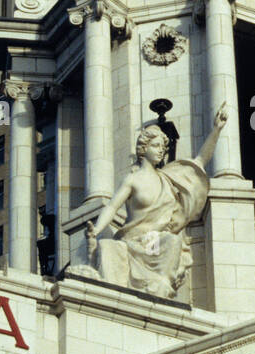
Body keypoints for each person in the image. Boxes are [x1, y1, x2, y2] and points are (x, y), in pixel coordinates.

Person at [86, 102, 229, 299]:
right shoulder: (133, 179)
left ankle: (160, 285)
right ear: (143, 148)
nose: (161, 151)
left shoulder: (168, 178)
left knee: (172, 240)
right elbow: (112, 206)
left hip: (153, 242)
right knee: (167, 241)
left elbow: (200, 161)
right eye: (156, 146)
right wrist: (97, 229)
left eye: (162, 147)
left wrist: (216, 130)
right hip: (134, 241)